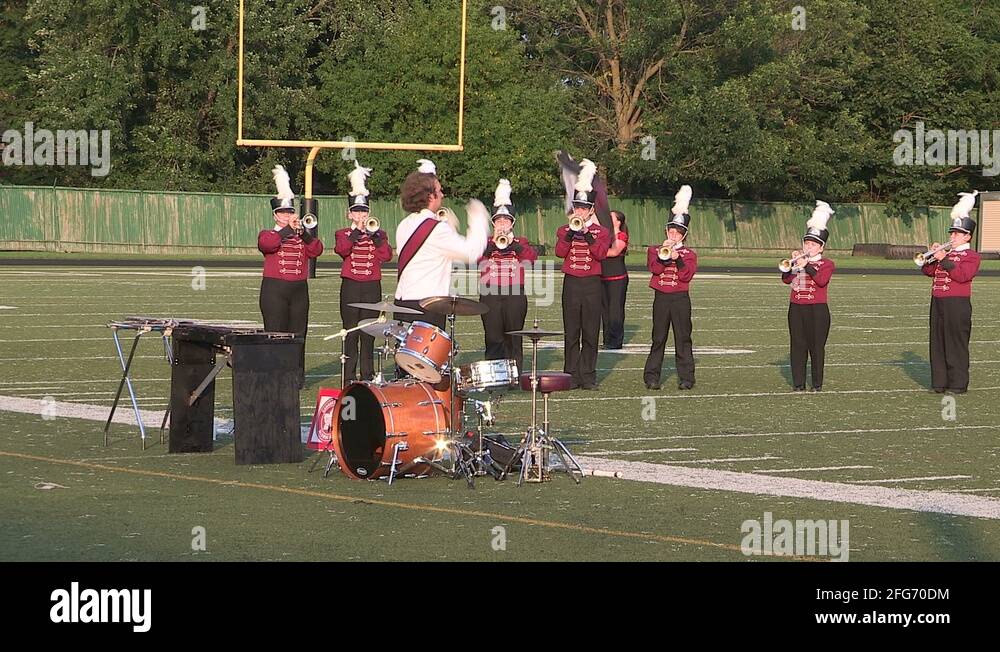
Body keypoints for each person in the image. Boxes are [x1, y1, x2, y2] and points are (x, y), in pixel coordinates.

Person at [393, 158, 489, 329]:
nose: (443, 194)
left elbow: (430, 254)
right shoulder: (436, 229)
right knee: (431, 356)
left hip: (402, 302)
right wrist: (479, 218)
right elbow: (471, 253)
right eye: (440, 190)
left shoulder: (404, 224)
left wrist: (448, 227)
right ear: (430, 196)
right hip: (428, 304)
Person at [257, 165, 324, 386]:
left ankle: (296, 377)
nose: (287, 216)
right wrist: (288, 230)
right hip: (274, 289)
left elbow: (317, 250)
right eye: (283, 213)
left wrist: (303, 233)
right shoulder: (268, 233)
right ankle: (274, 375)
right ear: (276, 215)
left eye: (290, 212)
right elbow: (268, 245)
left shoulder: (300, 236)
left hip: (298, 290)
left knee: (298, 335)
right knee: (275, 334)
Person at [555, 158, 612, 390]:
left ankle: (588, 375)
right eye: (576, 207)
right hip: (572, 283)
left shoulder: (601, 231)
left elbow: (600, 254)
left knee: (590, 332)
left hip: (591, 284)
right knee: (572, 332)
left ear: (590, 211)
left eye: (583, 208)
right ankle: (571, 375)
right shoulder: (564, 230)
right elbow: (560, 252)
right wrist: (571, 234)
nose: (579, 211)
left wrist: (587, 234)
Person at [334, 161, 392, 382]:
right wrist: (356, 232)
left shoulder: (379, 233)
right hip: (350, 286)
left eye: (364, 210)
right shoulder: (343, 233)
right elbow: (343, 250)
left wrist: (375, 235)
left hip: (371, 286)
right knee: (350, 332)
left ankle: (367, 375)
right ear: (350, 215)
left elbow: (386, 256)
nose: (361, 215)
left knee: (368, 333)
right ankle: (348, 377)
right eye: (356, 211)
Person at [921, 191, 981, 394]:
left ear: (967, 236)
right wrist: (932, 256)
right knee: (937, 342)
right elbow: (927, 271)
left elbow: (963, 276)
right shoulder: (946, 254)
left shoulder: (971, 256)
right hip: (937, 303)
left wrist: (943, 259)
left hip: (957, 304)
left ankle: (957, 384)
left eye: (956, 233)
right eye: (951, 233)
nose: (951, 236)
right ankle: (939, 382)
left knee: (956, 343)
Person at [478, 179, 537, 372]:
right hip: (490, 293)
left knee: (514, 337)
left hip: (514, 294)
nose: (502, 223)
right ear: (493, 223)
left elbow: (530, 260)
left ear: (512, 223)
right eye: (498, 220)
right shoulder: (485, 242)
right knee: (493, 337)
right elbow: (477, 260)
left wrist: (514, 245)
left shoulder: (521, 242)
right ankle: (494, 375)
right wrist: (493, 244)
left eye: (506, 220)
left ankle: (514, 375)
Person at [643, 185, 697, 391]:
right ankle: (651, 377)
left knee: (683, 338)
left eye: (678, 232)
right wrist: (664, 255)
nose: (673, 235)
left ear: (684, 235)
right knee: (658, 338)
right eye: (671, 231)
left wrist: (678, 259)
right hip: (662, 298)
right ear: (667, 230)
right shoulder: (654, 250)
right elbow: (655, 269)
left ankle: (686, 378)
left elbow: (686, 275)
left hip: (680, 299)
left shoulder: (689, 255)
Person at [780, 200, 836, 392]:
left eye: (813, 244)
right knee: (797, 346)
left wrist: (806, 265)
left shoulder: (827, 264)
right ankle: (798, 383)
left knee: (816, 347)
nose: (808, 247)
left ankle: (817, 384)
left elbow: (821, 280)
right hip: (796, 307)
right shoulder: (799, 261)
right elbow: (786, 280)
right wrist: (794, 265)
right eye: (806, 243)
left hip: (817, 309)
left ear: (821, 248)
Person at [601, 210, 629, 349]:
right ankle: (607, 340)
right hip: (603, 277)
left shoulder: (621, 235)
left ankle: (616, 341)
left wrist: (596, 251)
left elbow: (614, 252)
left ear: (618, 222)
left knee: (615, 310)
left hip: (617, 278)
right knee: (604, 310)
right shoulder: (605, 235)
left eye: (611, 217)